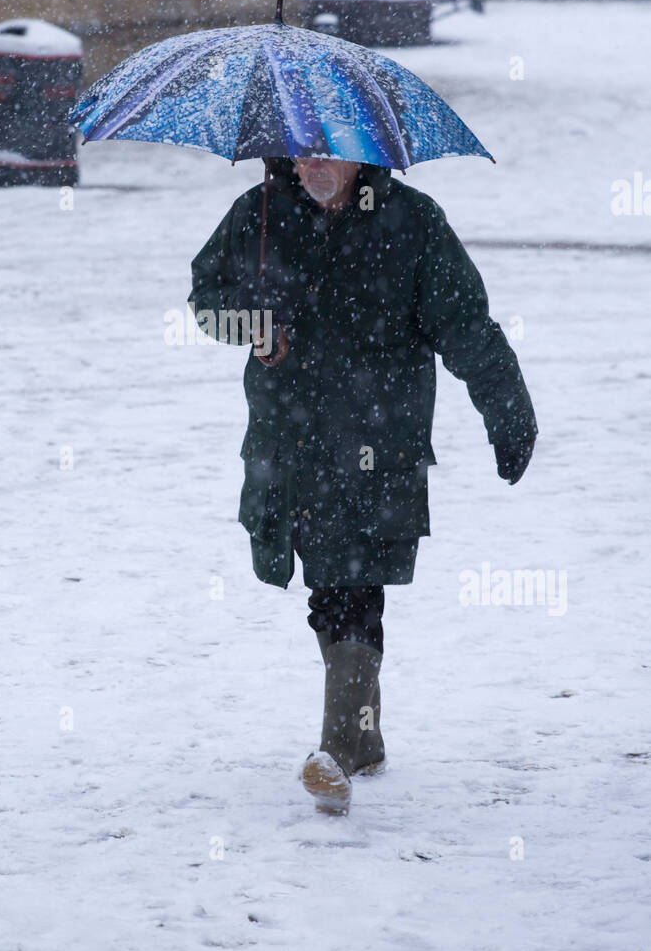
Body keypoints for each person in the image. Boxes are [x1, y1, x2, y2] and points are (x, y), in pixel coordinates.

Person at [188, 156, 537, 815]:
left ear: (365, 152)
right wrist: (251, 324)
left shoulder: (412, 222)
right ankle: (364, 738)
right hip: (288, 444)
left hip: (381, 441)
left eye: (331, 148)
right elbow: (205, 301)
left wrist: (508, 410)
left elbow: (467, 327)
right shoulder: (258, 215)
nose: (314, 162)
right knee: (328, 588)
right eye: (303, 148)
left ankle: (340, 747)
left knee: (353, 583)